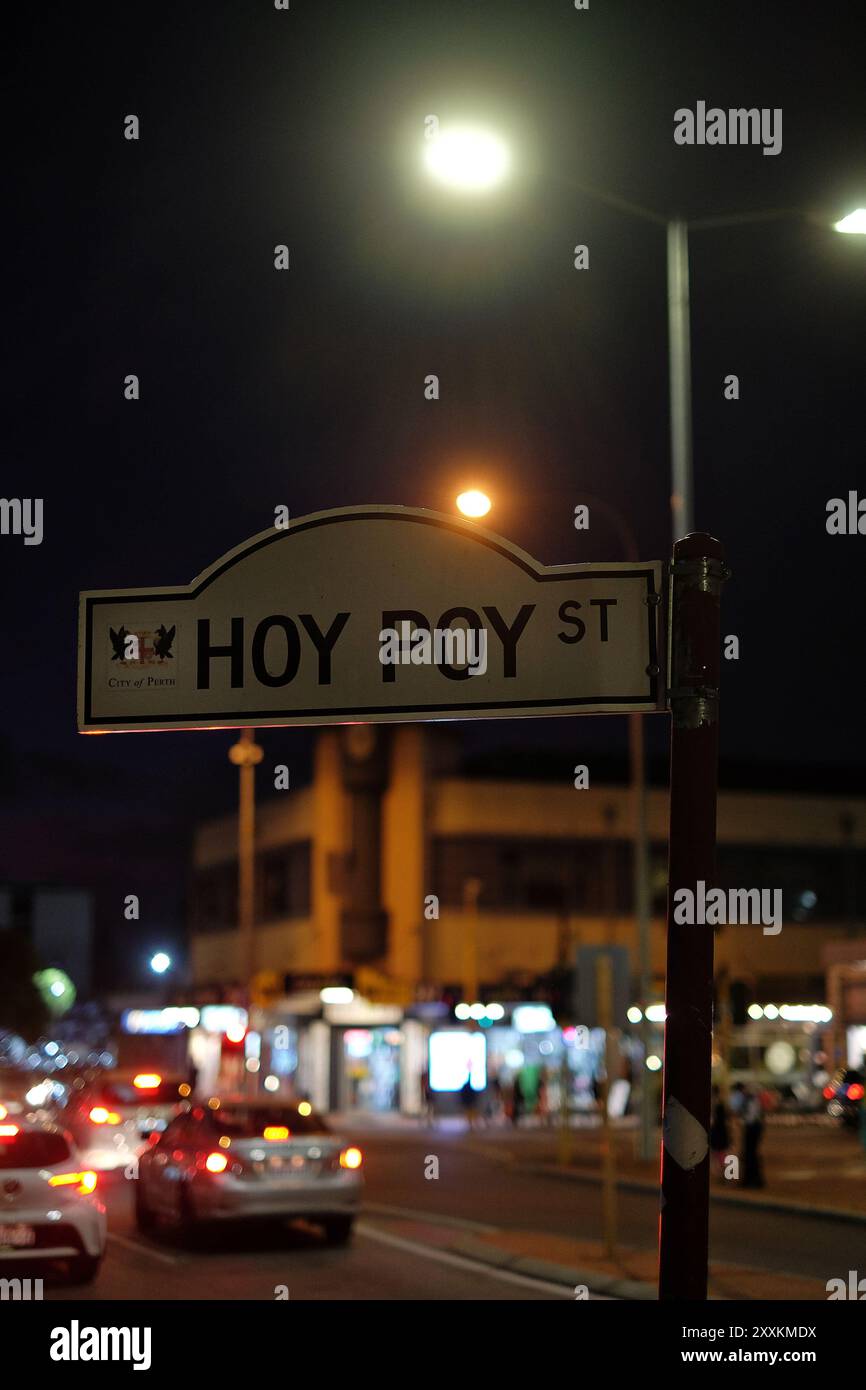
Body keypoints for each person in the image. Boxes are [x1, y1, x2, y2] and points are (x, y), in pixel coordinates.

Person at [740, 1087, 765, 1188]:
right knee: (751, 1155)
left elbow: (750, 1118)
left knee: (750, 1155)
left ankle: (751, 1180)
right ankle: (753, 1180)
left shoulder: (752, 1102)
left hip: (752, 1129)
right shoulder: (755, 1102)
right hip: (753, 1129)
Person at [709, 1085, 730, 1176]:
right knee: (719, 1153)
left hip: (717, 1131)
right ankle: (723, 1172)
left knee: (718, 1153)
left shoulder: (715, 1103)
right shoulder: (721, 1102)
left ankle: (724, 1172)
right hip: (721, 1130)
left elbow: (714, 1119)